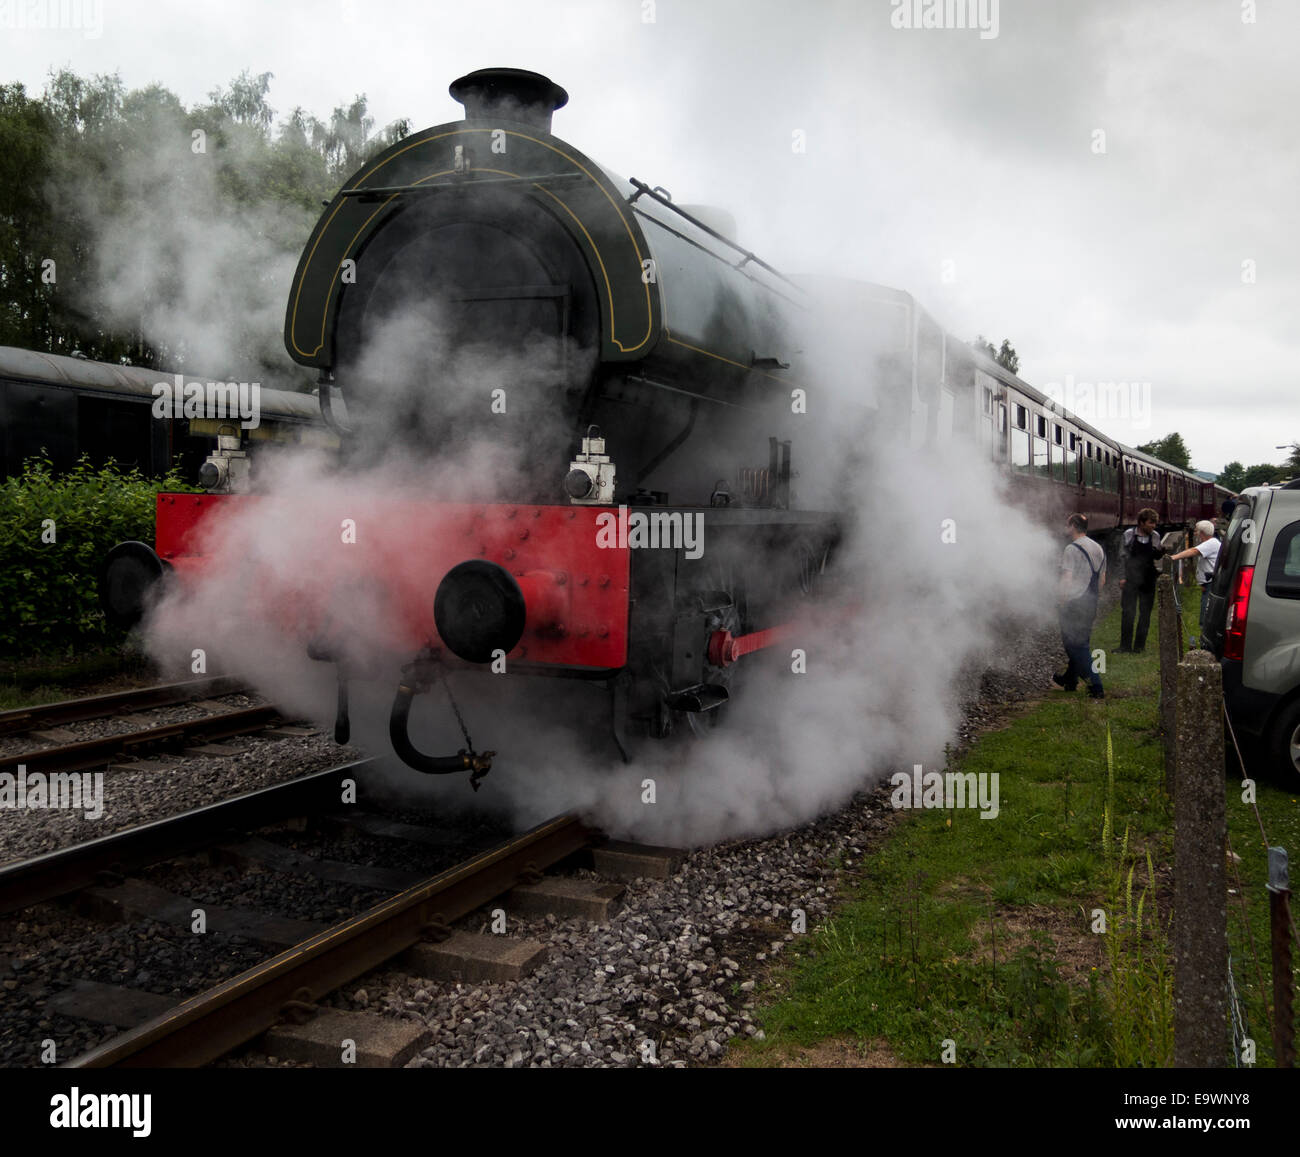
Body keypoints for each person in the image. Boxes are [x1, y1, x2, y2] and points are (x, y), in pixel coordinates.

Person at [1051, 513, 1107, 699]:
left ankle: (1096, 686)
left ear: (1073, 526)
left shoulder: (1071, 549)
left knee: (1074, 645)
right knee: (1081, 641)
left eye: (1067, 525)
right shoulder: (1098, 547)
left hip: (1074, 601)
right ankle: (1070, 679)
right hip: (1090, 601)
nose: (1066, 529)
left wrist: (1062, 599)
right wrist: (1093, 598)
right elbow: (1102, 579)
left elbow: (1067, 578)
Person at [1117, 508, 1165, 653]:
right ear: (1141, 522)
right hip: (1131, 578)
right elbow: (1121, 557)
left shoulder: (1155, 536)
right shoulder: (1129, 535)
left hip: (1148, 579)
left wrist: (1160, 552)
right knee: (1128, 613)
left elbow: (1156, 557)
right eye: (1151, 523)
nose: (1154, 526)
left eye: (1155, 523)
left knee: (1145, 614)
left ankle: (1139, 646)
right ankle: (1125, 646)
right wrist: (1122, 577)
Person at [1168, 520, 1221, 645]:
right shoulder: (1212, 543)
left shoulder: (1211, 543)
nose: (1195, 534)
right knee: (1206, 614)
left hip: (1210, 584)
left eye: (1197, 531)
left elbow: (1193, 551)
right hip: (1208, 584)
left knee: (1206, 616)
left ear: (1202, 532)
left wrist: (1173, 558)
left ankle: (1207, 644)